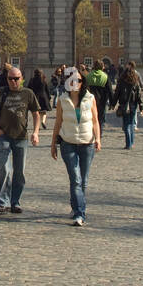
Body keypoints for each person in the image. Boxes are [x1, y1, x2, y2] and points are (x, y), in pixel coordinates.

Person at [50, 66, 101, 227]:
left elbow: (95, 120)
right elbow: (58, 122)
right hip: (68, 143)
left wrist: (98, 138)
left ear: (82, 82)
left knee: (83, 180)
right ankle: (80, 213)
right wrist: (53, 144)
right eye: (72, 80)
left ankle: (76, 206)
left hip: (87, 143)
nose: (75, 83)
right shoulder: (62, 100)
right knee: (76, 179)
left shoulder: (90, 98)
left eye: (78, 80)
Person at [0, 66, 41, 213]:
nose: (13, 82)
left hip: (21, 137)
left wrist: (36, 132)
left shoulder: (28, 93)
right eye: (10, 79)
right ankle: (3, 202)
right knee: (4, 169)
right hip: (4, 136)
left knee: (19, 172)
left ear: (21, 78)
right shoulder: (0, 93)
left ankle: (15, 201)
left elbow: (36, 114)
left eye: (16, 79)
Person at [113, 65, 143, 149]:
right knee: (131, 124)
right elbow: (139, 96)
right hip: (133, 106)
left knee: (126, 125)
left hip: (124, 105)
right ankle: (131, 142)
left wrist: (113, 104)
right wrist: (141, 107)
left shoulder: (121, 82)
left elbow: (116, 94)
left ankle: (128, 143)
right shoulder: (135, 83)